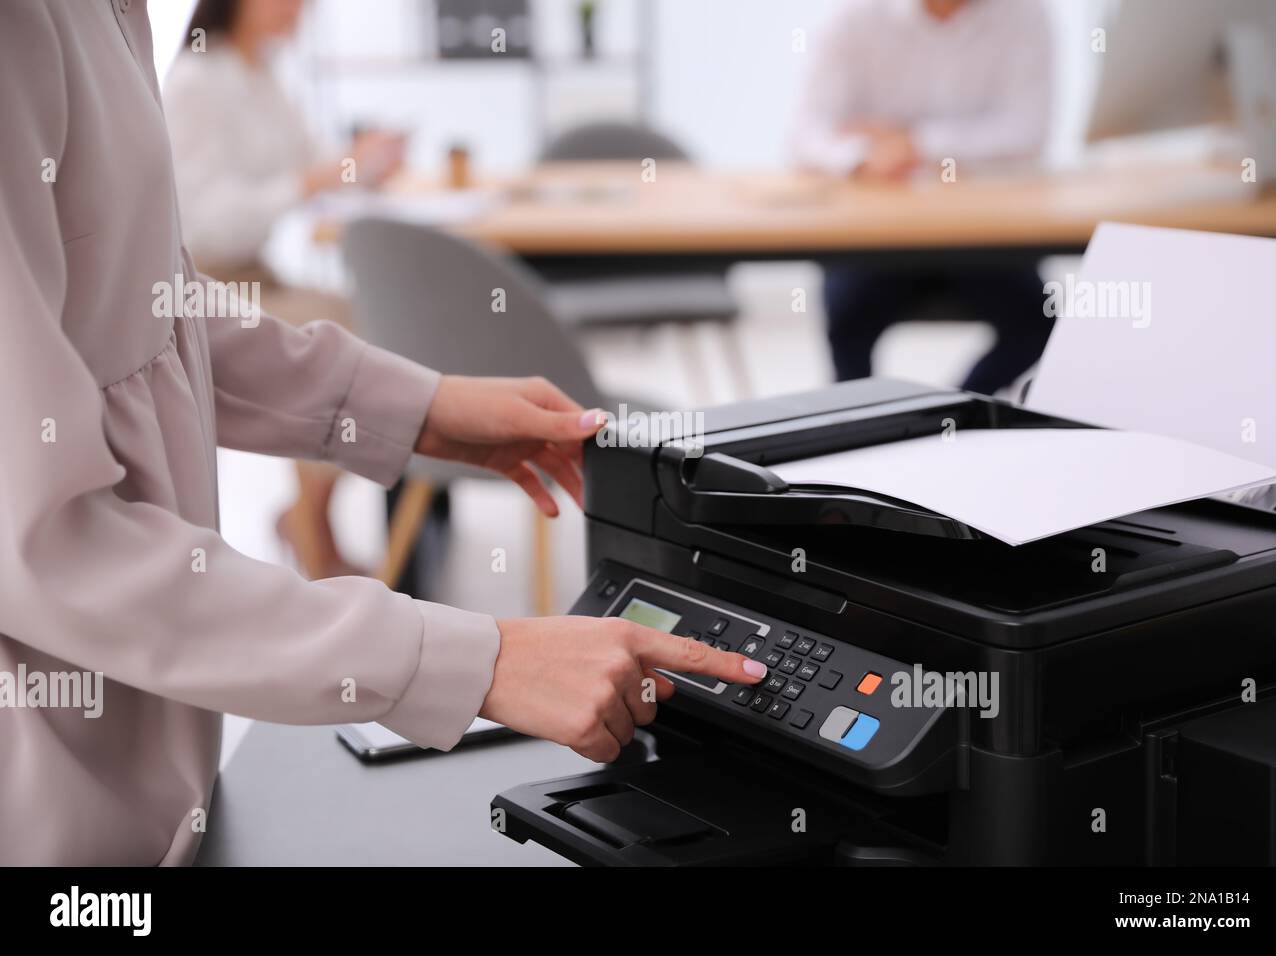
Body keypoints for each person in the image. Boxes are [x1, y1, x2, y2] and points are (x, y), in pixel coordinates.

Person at [0, 0, 765, 866]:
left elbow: (143, 306)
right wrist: (479, 656)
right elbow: (45, 543)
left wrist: (417, 405)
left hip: (157, 758)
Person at [164, 0, 408, 579]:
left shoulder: (263, 72)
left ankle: (307, 516)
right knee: (349, 338)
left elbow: (316, 166)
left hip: (256, 272)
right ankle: (310, 527)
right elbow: (202, 221)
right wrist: (313, 180)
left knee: (379, 325)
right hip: (206, 283)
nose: (300, 6)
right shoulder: (198, 79)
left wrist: (365, 163)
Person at [793, 0, 1054, 395]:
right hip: (878, 235)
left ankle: (953, 415)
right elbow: (806, 135)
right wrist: (864, 157)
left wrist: (912, 142)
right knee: (846, 316)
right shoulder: (856, 18)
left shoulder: (1026, 15)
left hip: (982, 234)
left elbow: (1025, 135)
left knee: (1038, 319)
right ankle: (859, 424)